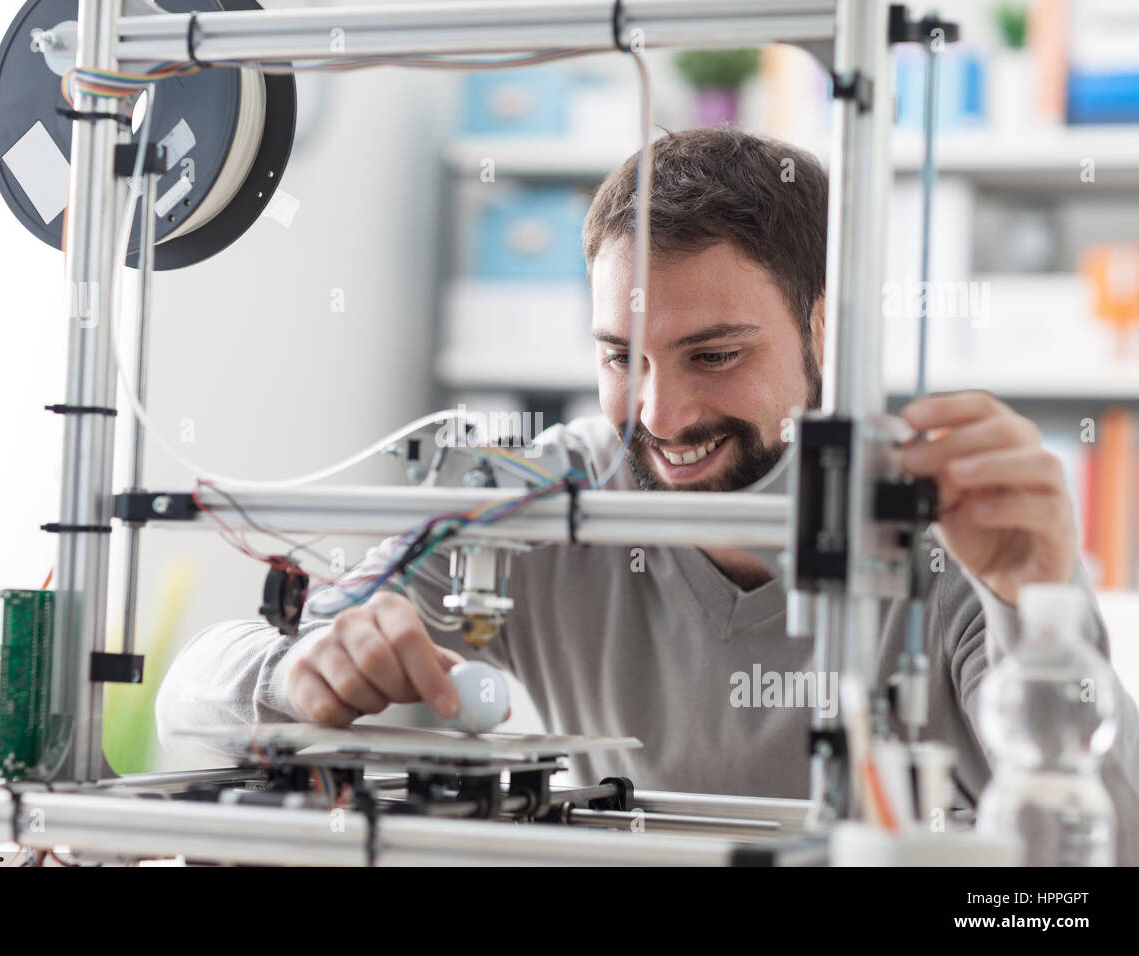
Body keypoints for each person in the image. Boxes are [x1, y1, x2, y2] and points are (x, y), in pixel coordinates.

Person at [155, 126, 1139, 862]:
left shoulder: (947, 523)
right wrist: (296, 680)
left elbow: (1105, 848)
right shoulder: (537, 494)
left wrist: (1035, 605)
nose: (659, 414)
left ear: (826, 328)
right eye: (621, 357)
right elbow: (190, 697)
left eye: (715, 353)